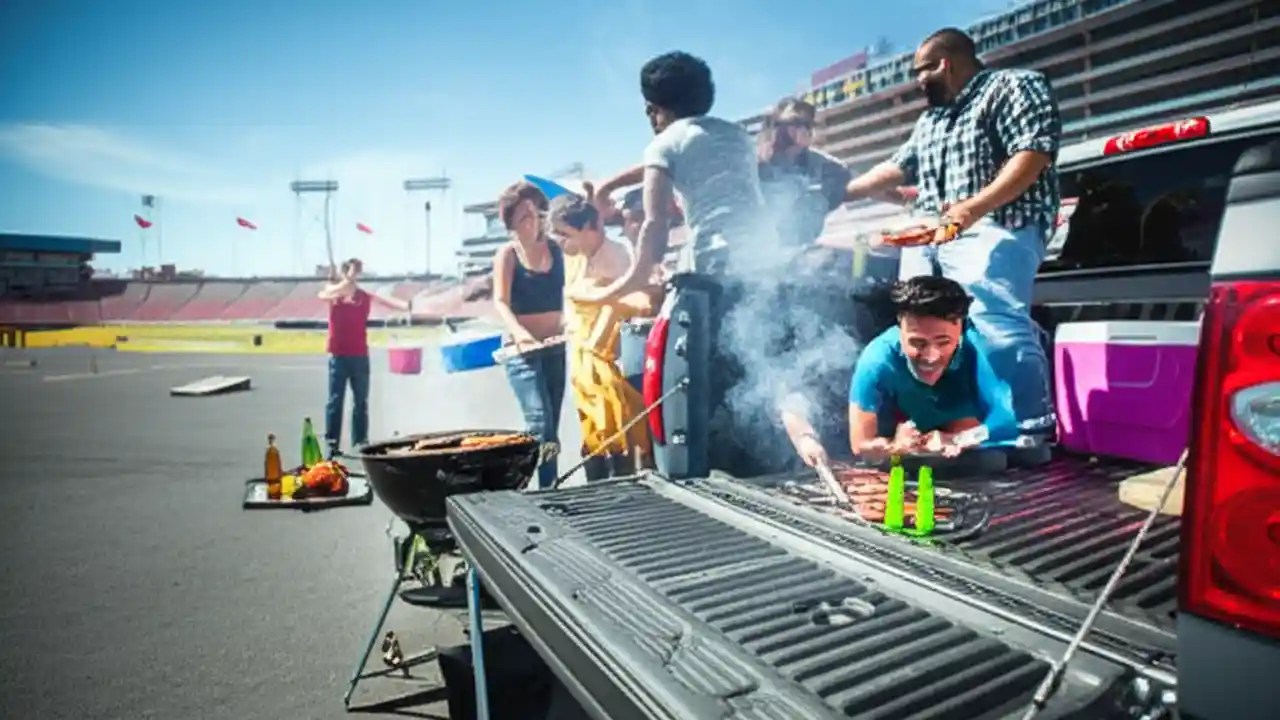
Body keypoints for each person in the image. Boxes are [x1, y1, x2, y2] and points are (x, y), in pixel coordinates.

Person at [842, 27, 1060, 464]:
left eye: (920, 73)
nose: (917, 83)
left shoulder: (1013, 85)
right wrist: (843, 191)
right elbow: (899, 166)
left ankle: (1029, 432)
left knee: (992, 324)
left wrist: (971, 209)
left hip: (996, 222)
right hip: (929, 235)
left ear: (943, 63)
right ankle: (952, 429)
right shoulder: (931, 121)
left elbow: (1033, 151)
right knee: (922, 332)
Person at [847, 275, 1018, 463]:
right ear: (900, 328)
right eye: (917, 343)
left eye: (943, 342)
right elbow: (860, 444)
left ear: (960, 328)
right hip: (908, 420)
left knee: (1001, 459)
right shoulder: (877, 360)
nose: (930, 357)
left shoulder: (981, 347)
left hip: (967, 416)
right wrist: (894, 446)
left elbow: (1011, 420)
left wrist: (958, 439)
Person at [548, 190, 656, 481]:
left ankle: (627, 482)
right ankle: (596, 482)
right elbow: (572, 303)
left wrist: (602, 298)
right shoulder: (573, 258)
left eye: (565, 233)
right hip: (581, 356)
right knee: (592, 425)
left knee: (620, 421)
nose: (559, 241)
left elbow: (632, 303)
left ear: (589, 228)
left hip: (610, 356)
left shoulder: (618, 255)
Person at [491, 180, 567, 489]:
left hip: (555, 348)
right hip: (521, 352)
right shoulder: (507, 254)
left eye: (537, 213)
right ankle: (540, 491)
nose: (534, 221)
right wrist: (521, 335)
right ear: (511, 223)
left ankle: (547, 486)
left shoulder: (557, 249)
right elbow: (500, 301)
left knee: (552, 425)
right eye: (524, 216)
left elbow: (572, 291)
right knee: (539, 423)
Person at [317, 257, 412, 457]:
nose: (356, 275)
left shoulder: (363, 296)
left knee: (361, 401)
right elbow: (322, 295)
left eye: (358, 272)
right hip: (338, 355)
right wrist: (341, 285)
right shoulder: (334, 295)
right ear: (345, 273)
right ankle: (332, 442)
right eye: (353, 271)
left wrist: (406, 306)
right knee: (335, 401)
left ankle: (360, 440)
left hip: (359, 354)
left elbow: (387, 302)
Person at [757, 97, 853, 250]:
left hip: (803, 253)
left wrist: (902, 197)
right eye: (796, 123)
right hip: (761, 254)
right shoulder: (755, 166)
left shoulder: (824, 165)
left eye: (808, 124)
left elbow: (862, 183)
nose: (806, 129)